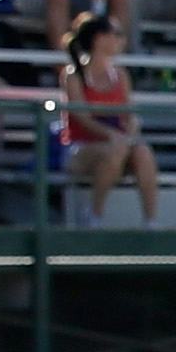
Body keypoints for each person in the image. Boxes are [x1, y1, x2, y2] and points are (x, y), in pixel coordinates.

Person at [58, 13, 160, 226]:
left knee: (142, 151)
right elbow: (82, 117)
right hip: (81, 146)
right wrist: (112, 136)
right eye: (116, 34)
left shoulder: (121, 76)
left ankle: (151, 221)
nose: (121, 40)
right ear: (99, 38)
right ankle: (95, 215)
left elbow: (129, 115)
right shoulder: (74, 75)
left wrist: (128, 135)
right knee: (117, 149)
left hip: (116, 144)